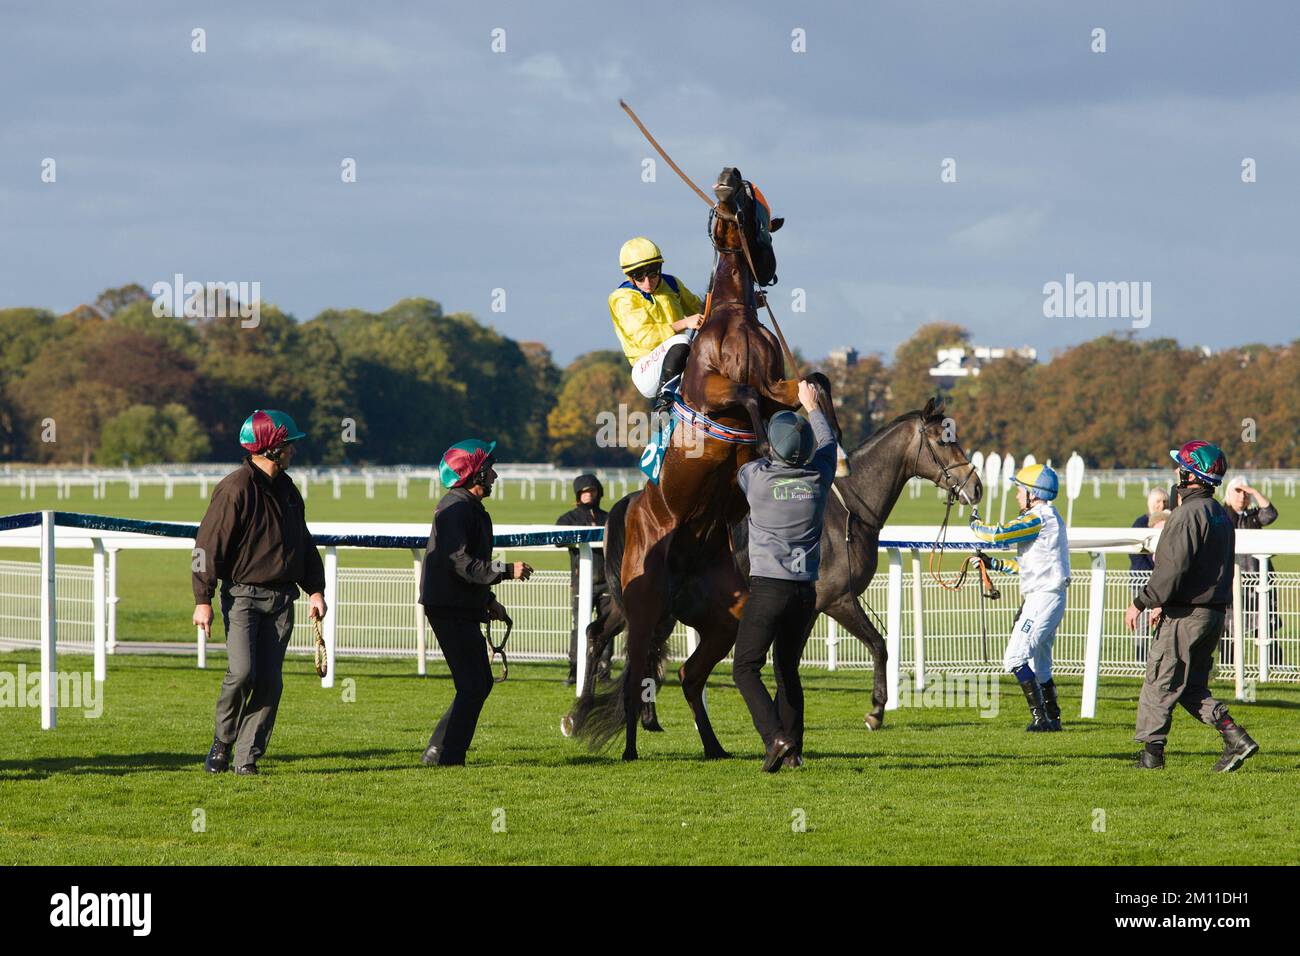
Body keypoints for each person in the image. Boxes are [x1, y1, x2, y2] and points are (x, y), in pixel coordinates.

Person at [193, 409, 326, 776]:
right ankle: (223, 741)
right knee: (243, 672)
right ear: (272, 449)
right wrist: (202, 599)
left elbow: (303, 543)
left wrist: (315, 590)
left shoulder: (289, 491)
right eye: (289, 446)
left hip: (283, 600)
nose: (293, 452)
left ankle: (246, 757)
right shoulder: (234, 488)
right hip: (242, 598)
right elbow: (206, 546)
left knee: (270, 682)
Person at [1124, 440, 1259, 772]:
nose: (1175, 472)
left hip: (1186, 614)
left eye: (1179, 467)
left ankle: (1151, 759)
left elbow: (1172, 568)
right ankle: (1235, 738)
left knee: (1160, 680)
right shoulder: (1218, 514)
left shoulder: (1187, 514)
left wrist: (1143, 602)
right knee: (1191, 687)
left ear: (1190, 475)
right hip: (1213, 614)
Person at [732, 381, 837, 772]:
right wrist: (813, 407)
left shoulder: (756, 479)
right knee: (787, 670)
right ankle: (793, 753)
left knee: (745, 667)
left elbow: (746, 452)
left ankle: (775, 737)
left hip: (769, 590)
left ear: (774, 451)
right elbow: (828, 445)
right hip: (805, 593)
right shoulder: (819, 478)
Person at [418, 439, 533, 766]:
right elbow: (463, 564)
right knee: (473, 684)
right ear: (475, 474)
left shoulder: (468, 507)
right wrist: (507, 570)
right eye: (490, 470)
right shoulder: (457, 509)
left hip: (459, 604)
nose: (495, 476)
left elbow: (469, 566)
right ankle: (446, 755)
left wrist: (489, 599)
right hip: (448, 607)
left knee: (477, 683)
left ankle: (442, 751)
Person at [970, 464, 1071, 732]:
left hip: (1043, 599)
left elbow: (998, 534)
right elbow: (1027, 566)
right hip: (1048, 596)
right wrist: (993, 564)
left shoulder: (1039, 517)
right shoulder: (1049, 517)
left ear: (1033, 494)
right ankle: (1054, 719)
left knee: (1014, 658)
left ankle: (1041, 720)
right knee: (1041, 664)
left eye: (1019, 490)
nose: (1016, 495)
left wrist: (975, 524)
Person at [608, 237, 705, 414]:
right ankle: (664, 403)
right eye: (639, 276)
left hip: (678, 356)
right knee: (682, 340)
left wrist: (744, 304)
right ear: (630, 277)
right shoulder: (622, 298)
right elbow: (646, 338)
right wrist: (684, 322)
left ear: (660, 268)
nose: (647, 282)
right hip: (646, 369)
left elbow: (701, 309)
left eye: (653, 273)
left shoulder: (672, 284)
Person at [556, 473, 614, 685]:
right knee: (580, 628)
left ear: (598, 492)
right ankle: (575, 671)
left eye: (592, 490)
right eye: (584, 491)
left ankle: (604, 672)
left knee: (608, 627)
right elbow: (558, 540)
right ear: (578, 494)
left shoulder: (609, 518)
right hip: (581, 583)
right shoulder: (568, 519)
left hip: (608, 582)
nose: (589, 494)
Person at [1221, 476, 1282, 667]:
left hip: (1256, 583)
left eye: (1245, 493)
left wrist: (1254, 491)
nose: (1242, 497)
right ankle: (1228, 669)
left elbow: (1270, 514)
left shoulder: (1253, 517)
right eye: (1237, 492)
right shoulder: (1221, 516)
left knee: (1264, 627)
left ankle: (1274, 668)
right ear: (1228, 495)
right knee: (1228, 631)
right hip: (1231, 582)